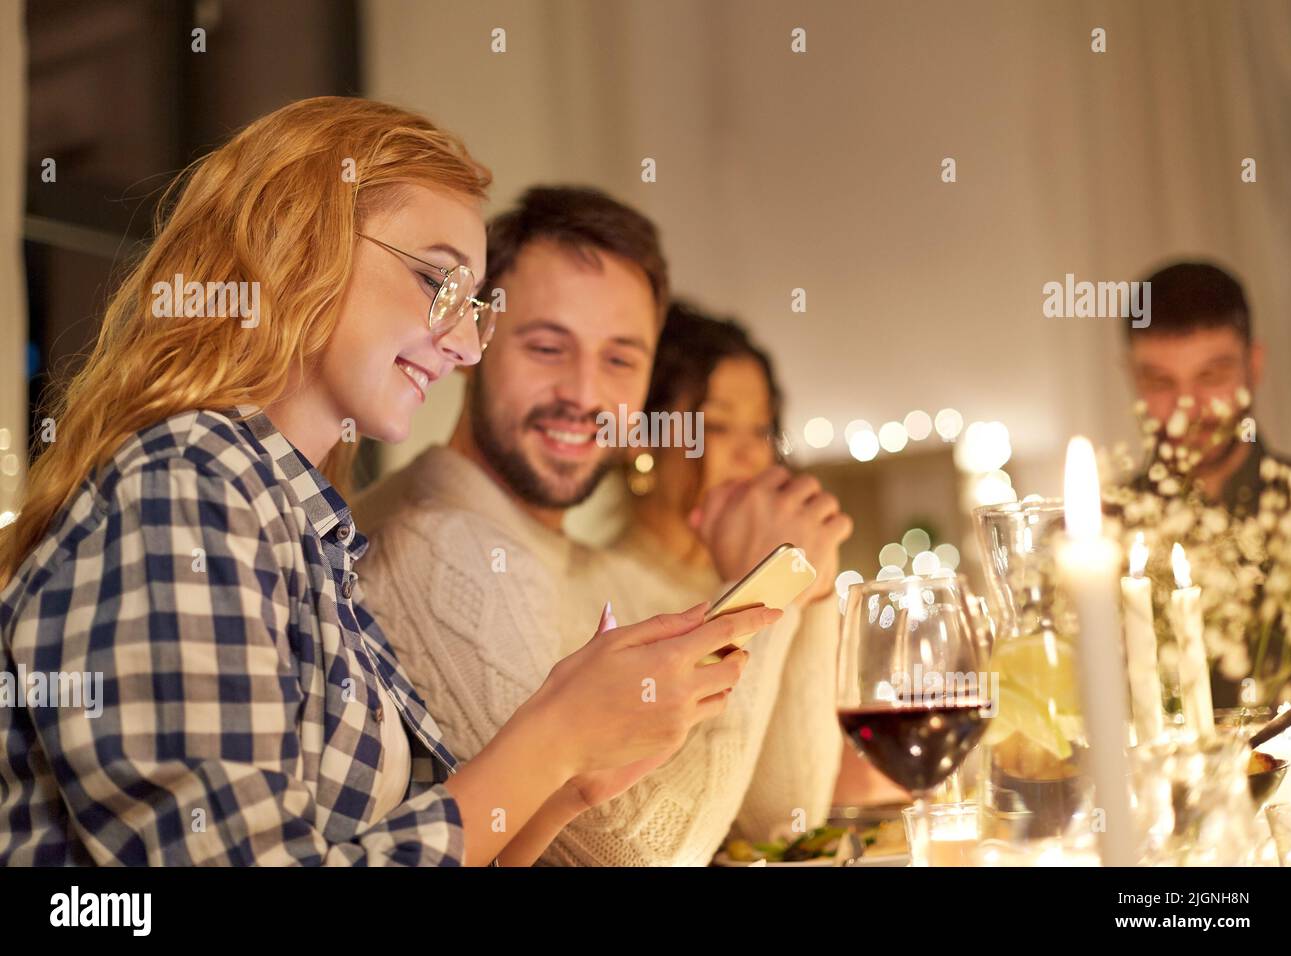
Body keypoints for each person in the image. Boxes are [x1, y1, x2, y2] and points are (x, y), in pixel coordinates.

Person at [0, 97, 765, 867]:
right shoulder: (184, 490)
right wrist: (554, 735)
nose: (466, 344)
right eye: (439, 281)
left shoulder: (297, 525)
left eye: (473, 306)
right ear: (298, 244)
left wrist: (572, 779)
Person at [355, 187, 853, 865]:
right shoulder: (432, 543)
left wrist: (805, 591)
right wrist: (767, 584)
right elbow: (625, 858)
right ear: (474, 338)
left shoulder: (585, 567)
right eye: (547, 347)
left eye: (619, 360)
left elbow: (779, 822)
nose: (585, 394)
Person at [617, 302, 907, 813]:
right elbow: (765, 819)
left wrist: (808, 594)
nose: (751, 456)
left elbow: (796, 811)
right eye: (717, 427)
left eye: (761, 430)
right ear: (643, 440)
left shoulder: (769, 569)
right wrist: (761, 590)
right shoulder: (605, 601)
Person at [1124, 260, 1291, 705]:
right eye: (1161, 382)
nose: (1187, 406)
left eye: (1211, 376)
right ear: (1132, 378)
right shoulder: (1096, 540)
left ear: (1253, 366)